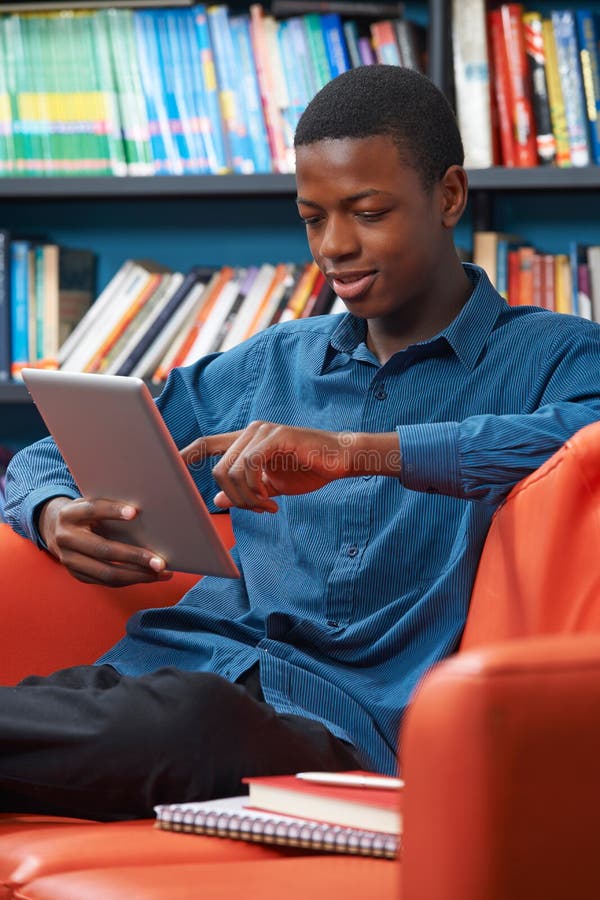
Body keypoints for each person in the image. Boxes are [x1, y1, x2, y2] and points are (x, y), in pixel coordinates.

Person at [4, 65, 600, 821]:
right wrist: (53, 510)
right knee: (130, 708)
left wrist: (356, 450)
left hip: (329, 729)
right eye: (313, 218)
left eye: (367, 212)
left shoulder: (554, 356)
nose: (334, 247)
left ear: (448, 195)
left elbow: (575, 445)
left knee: (195, 723)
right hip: (165, 674)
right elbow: (52, 450)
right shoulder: (273, 360)